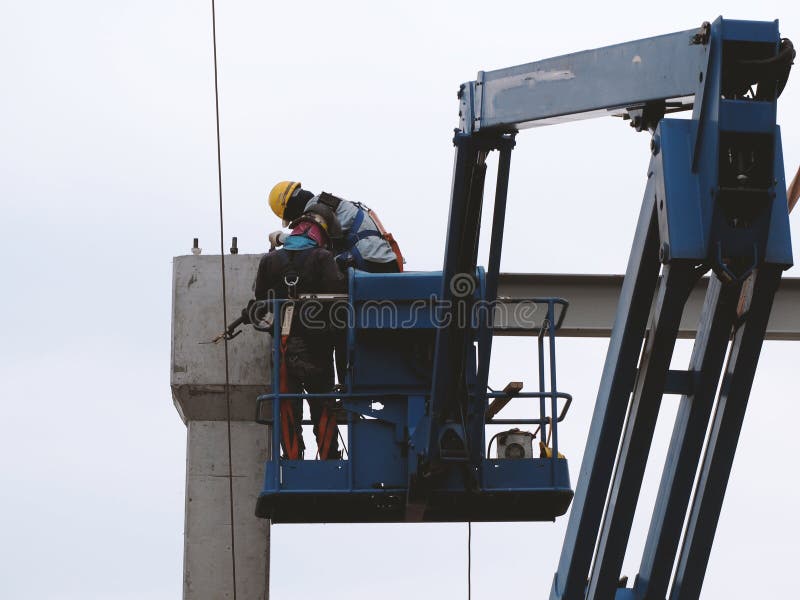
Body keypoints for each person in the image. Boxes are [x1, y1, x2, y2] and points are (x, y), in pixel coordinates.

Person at [244, 203, 345, 460]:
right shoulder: (323, 259)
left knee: (287, 406)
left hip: (283, 349)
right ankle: (329, 460)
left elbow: (260, 302)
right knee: (322, 406)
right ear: (322, 233)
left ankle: (291, 461)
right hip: (317, 350)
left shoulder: (270, 260)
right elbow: (340, 302)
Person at [267, 181, 403, 273]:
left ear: (291, 207)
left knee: (310, 272)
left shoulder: (316, 207)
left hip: (370, 262)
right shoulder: (327, 202)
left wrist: (280, 238)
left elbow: (304, 242)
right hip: (382, 261)